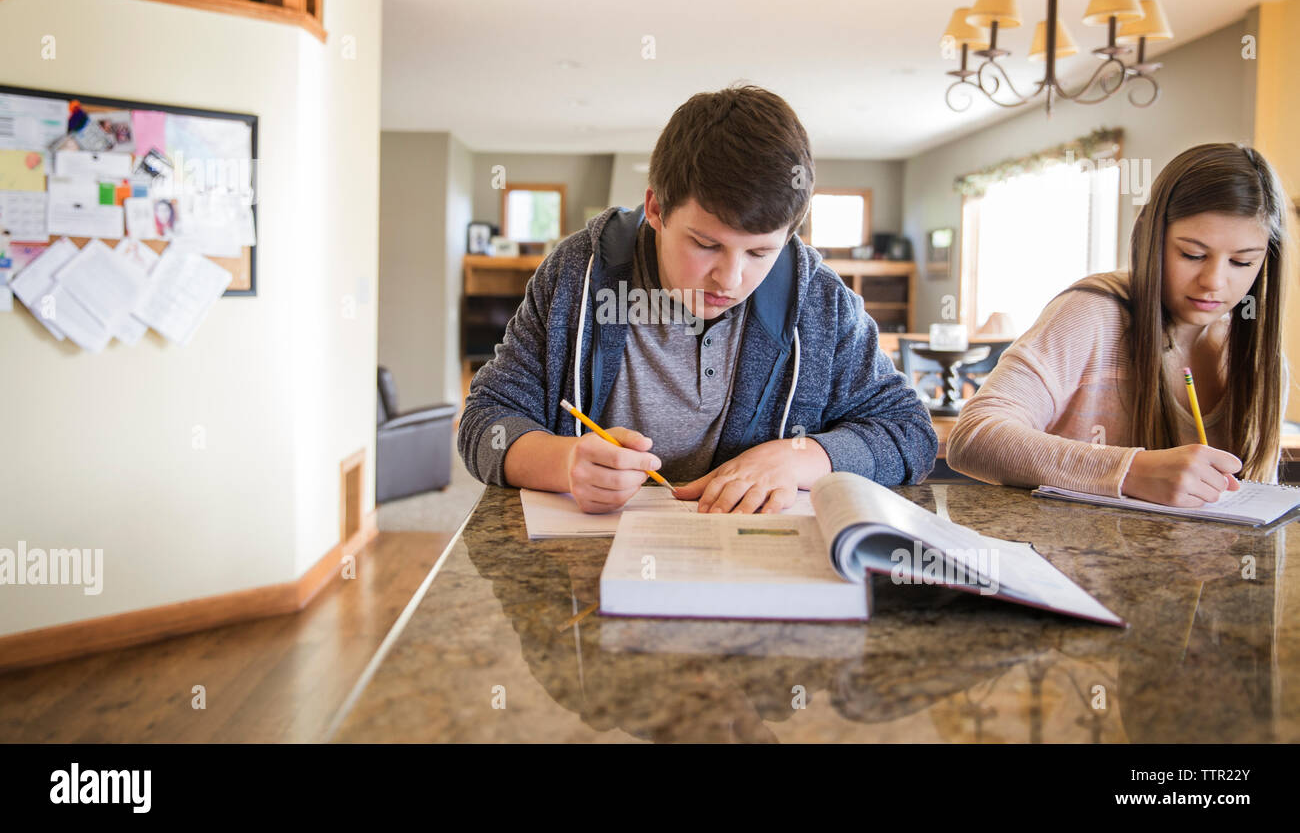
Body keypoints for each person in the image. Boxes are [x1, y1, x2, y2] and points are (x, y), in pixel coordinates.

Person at [458, 83, 937, 513]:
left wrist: (798, 458)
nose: (729, 278)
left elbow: (910, 433)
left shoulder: (820, 300)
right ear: (656, 209)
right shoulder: (575, 275)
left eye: (760, 252)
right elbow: (485, 420)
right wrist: (564, 462)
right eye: (706, 244)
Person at [947, 143, 1291, 507]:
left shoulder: (1260, 360)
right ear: (1151, 238)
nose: (1214, 282)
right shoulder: (1091, 313)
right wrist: (1132, 471)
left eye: (1242, 262)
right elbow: (974, 437)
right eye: (1192, 254)